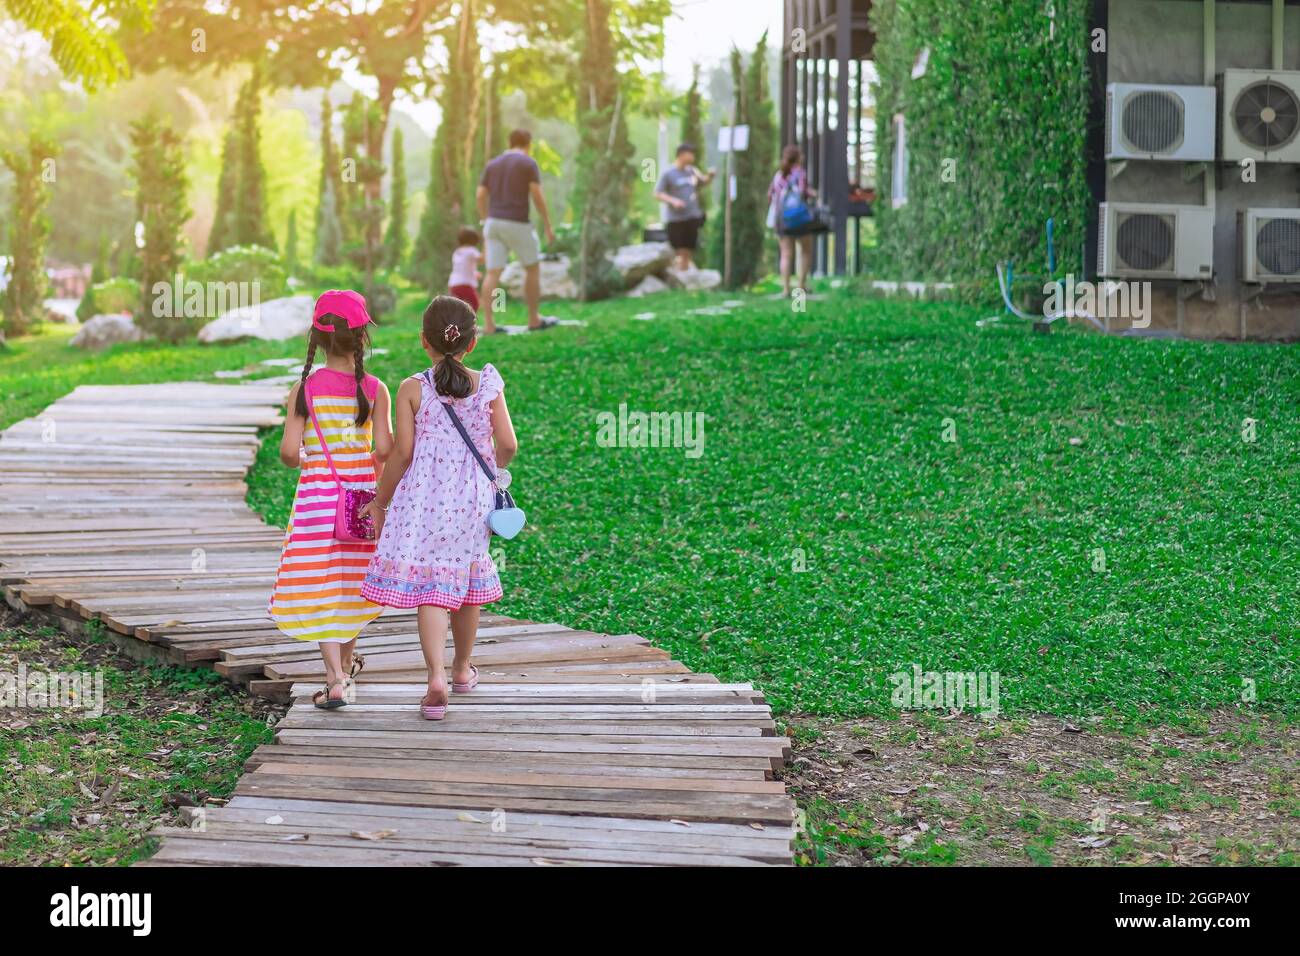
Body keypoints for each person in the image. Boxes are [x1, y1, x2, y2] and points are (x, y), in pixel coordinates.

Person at [359, 296, 519, 720]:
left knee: (433, 585)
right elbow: (508, 445)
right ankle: (463, 670)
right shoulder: (488, 384)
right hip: (471, 498)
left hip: (423, 499)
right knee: (465, 576)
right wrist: (488, 468)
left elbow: (403, 452)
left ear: (423, 341)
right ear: (472, 343)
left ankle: (435, 677)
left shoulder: (413, 387)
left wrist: (380, 500)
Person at [269, 290, 393, 709]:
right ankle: (343, 667)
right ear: (362, 338)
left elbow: (288, 453)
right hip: (359, 504)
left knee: (322, 585)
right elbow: (385, 449)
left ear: (318, 340)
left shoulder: (304, 389)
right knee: (352, 585)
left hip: (315, 505)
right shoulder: (376, 389)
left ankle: (336, 676)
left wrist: (308, 455)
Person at [477, 128, 558, 334]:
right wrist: (548, 224)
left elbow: (480, 194)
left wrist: (485, 219)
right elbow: (537, 195)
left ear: (509, 142)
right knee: (532, 268)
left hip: (493, 222)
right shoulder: (528, 163)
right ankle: (533, 319)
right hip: (517, 222)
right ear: (528, 145)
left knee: (493, 272)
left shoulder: (492, 164)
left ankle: (489, 324)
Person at [654, 142, 716, 272]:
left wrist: (710, 176)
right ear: (681, 155)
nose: (693, 156)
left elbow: (703, 182)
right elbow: (658, 193)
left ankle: (685, 273)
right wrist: (673, 201)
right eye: (690, 153)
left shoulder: (692, 171)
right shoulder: (668, 173)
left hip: (692, 216)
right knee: (679, 248)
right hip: (676, 218)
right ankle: (679, 274)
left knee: (689, 247)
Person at [769, 145, 818, 297]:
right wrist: (814, 194)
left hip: (783, 219)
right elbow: (804, 192)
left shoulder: (779, 176)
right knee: (806, 250)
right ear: (798, 158)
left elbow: (770, 194)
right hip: (800, 219)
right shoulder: (800, 174)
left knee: (786, 253)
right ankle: (801, 286)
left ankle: (785, 288)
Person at [448, 226, 483, 313]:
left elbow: (461, 268)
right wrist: (486, 246)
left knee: (457, 308)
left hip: (453, 284)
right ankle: (468, 323)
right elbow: (482, 260)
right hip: (465, 285)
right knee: (475, 304)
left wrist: (474, 273)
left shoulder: (457, 252)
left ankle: (457, 324)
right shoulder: (471, 250)